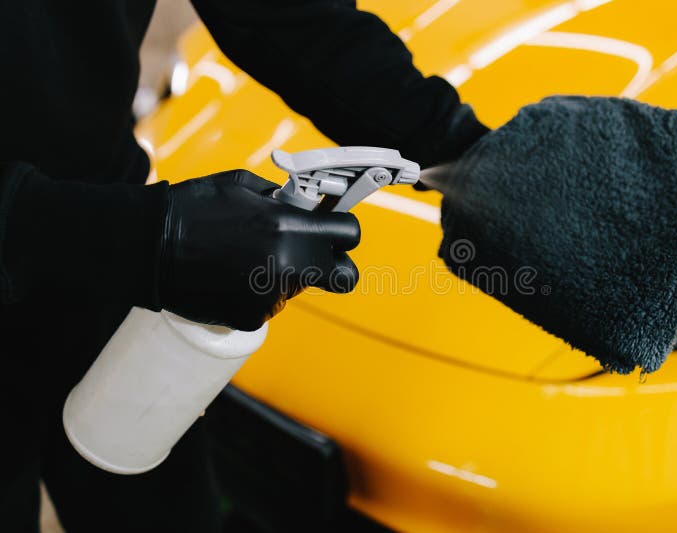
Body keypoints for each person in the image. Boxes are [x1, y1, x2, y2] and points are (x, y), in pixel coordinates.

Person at [0, 1, 488, 530]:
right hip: (102, 241)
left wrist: (461, 145)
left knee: (165, 507)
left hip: (124, 270)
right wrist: (135, 237)